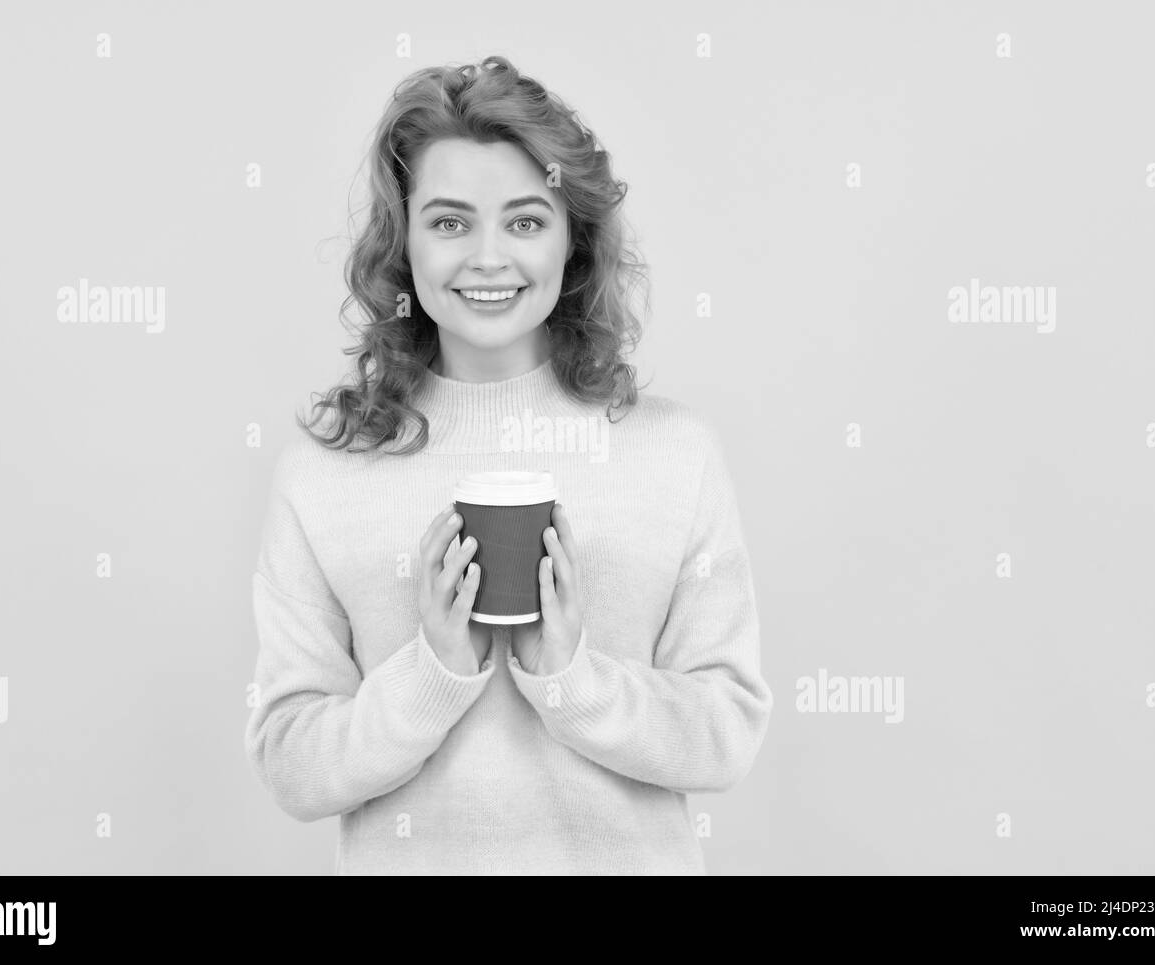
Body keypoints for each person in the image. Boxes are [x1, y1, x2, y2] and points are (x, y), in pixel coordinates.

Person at [244, 55, 772, 875]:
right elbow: (291, 762)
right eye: (450, 222)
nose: (488, 258)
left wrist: (572, 678)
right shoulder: (324, 475)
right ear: (403, 240)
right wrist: (433, 675)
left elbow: (727, 732)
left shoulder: (674, 453)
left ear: (574, 240)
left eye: (525, 221)